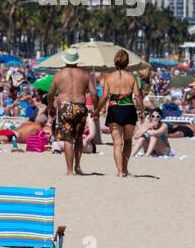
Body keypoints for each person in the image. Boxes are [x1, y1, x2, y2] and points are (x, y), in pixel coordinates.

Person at [96, 49, 143, 177]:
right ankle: (125, 168)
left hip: (114, 110)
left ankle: (119, 171)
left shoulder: (109, 78)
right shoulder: (132, 77)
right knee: (127, 142)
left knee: (117, 143)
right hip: (129, 110)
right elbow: (138, 95)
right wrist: (142, 110)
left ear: (115, 62)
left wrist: (97, 111)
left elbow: (104, 97)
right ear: (127, 62)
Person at [49, 48, 93, 176]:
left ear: (65, 60)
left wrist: (50, 106)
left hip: (65, 107)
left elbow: (50, 93)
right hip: (80, 107)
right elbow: (94, 94)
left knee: (68, 140)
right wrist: (96, 109)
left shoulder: (59, 75)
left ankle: (69, 171)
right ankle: (78, 167)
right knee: (79, 138)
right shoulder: (85, 74)